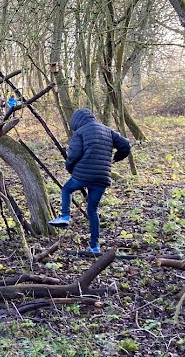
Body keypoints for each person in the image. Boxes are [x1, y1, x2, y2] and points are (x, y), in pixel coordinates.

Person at [48, 108, 131, 254]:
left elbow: (73, 155)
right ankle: (94, 246)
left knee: (67, 189)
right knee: (92, 210)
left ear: (77, 122)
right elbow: (125, 146)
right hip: (102, 177)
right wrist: (116, 158)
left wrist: (70, 168)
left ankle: (65, 216)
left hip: (83, 175)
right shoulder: (107, 130)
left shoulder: (80, 132)